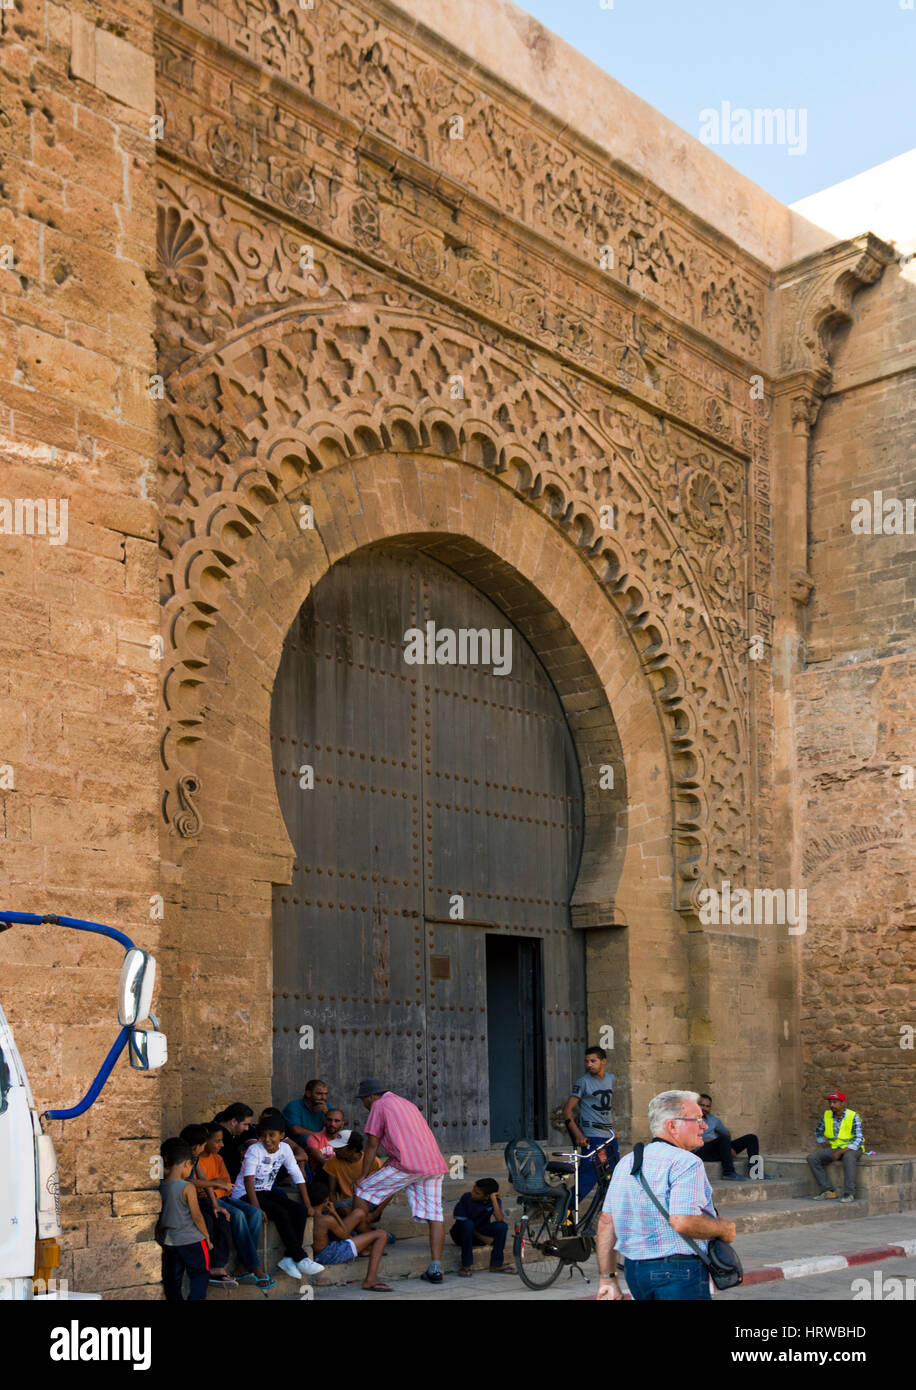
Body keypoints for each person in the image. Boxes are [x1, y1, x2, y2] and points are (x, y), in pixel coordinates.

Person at [596, 1089, 737, 1302]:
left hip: (636, 1270)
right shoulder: (687, 1162)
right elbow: (682, 1221)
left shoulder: (627, 1162)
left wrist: (607, 1279)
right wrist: (723, 1229)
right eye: (698, 1119)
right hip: (679, 1272)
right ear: (672, 1126)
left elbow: (607, 1222)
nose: (705, 1126)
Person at [351, 1078, 449, 1285]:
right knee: (435, 1214)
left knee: (361, 1189)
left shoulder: (379, 1105)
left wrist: (363, 1175)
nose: (364, 1105)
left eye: (363, 1100)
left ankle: (364, 1242)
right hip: (433, 1163)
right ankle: (435, 1269)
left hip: (409, 1164)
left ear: (370, 1096)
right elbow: (405, 1139)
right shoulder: (406, 1103)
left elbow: (371, 1144)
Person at [230, 1116, 324, 1279]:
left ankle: (289, 1258)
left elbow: (297, 1175)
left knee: (300, 1211)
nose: (267, 1139)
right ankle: (300, 1257)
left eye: (272, 1135)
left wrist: (308, 1204)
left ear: (281, 1135)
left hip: (265, 1191)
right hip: (245, 1193)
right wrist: (257, 1208)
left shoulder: (286, 1149)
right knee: (280, 1212)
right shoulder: (255, 1150)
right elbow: (248, 1179)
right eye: (263, 1135)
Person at [199, 1122, 273, 1289]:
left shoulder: (217, 1158)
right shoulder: (196, 1161)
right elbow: (200, 1189)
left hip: (223, 1196)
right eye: (217, 1141)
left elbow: (226, 1183)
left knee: (254, 1212)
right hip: (209, 1199)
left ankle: (242, 1265)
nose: (221, 1145)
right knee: (238, 1214)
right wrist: (216, 1185)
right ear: (205, 1141)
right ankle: (254, 1266)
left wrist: (215, 1185)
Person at [180, 1123, 236, 1285]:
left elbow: (204, 1181)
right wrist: (216, 1183)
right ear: (195, 1146)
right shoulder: (181, 1158)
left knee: (222, 1218)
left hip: (197, 1199)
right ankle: (206, 1265)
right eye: (203, 1145)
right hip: (184, 1201)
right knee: (207, 1221)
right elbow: (187, 1180)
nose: (204, 1148)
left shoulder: (195, 1159)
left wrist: (215, 1204)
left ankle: (218, 1266)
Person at [157, 1137, 212, 1302]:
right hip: (192, 1240)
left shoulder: (160, 1187)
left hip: (170, 1241)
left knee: (172, 1281)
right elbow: (197, 1216)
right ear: (187, 1164)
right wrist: (207, 1238)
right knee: (200, 1276)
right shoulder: (187, 1187)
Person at [562, 1045, 619, 1198]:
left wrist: (612, 1128)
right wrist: (578, 1135)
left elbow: (606, 1106)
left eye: (593, 1061)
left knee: (614, 1178)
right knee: (587, 1179)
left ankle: (606, 1217)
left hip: (609, 1137)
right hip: (592, 1137)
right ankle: (564, 1215)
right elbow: (566, 1111)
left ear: (603, 1061)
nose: (589, 1065)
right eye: (587, 1061)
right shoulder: (583, 1082)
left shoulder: (611, 1079)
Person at [311, 1199, 392, 1292]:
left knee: (359, 1213)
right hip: (329, 1254)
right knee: (381, 1234)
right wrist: (334, 1213)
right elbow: (345, 1235)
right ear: (325, 1201)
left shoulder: (308, 1213)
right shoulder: (327, 1219)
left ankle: (367, 1248)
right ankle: (370, 1279)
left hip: (324, 1251)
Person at [806, 1090, 864, 1203]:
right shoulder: (827, 1115)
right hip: (834, 1148)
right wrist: (822, 1141)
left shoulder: (853, 1116)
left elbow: (858, 1139)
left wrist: (840, 1152)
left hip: (852, 1148)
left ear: (843, 1103)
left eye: (835, 1102)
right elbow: (818, 1130)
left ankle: (849, 1193)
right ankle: (828, 1191)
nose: (831, 1105)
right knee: (812, 1158)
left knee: (848, 1158)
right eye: (830, 1102)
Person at [449, 1179, 515, 1277]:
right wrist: (484, 1238)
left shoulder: (493, 1201)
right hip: (461, 1235)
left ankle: (495, 1265)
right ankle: (465, 1266)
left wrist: (493, 1200)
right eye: (473, 1190)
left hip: (480, 1231)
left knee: (502, 1226)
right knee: (468, 1224)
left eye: (477, 1193)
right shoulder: (466, 1198)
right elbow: (462, 1223)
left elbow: (500, 1218)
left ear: (487, 1197)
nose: (472, 1193)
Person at [695, 1093, 758, 1180]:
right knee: (723, 1139)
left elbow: (726, 1133)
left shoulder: (713, 1119)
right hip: (701, 1151)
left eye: (707, 1106)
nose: (705, 1108)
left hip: (719, 1149)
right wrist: (706, 1141)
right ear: (696, 1104)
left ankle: (755, 1171)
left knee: (751, 1138)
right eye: (702, 1105)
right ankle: (728, 1172)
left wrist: (727, 1147)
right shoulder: (689, 1118)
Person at [325, 1131, 383, 1213]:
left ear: (353, 1149)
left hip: (366, 1201)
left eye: (339, 1148)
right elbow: (332, 1191)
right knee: (339, 1208)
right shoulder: (333, 1162)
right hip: (345, 1203)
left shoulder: (373, 1162)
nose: (335, 1150)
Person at [212, 1102, 255, 1182]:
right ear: (233, 1121)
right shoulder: (225, 1140)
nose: (247, 1128)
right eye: (245, 1124)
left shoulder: (227, 1134)